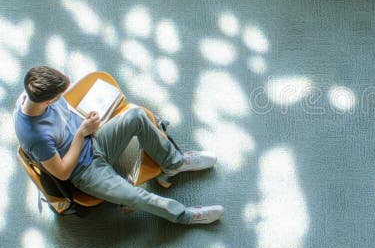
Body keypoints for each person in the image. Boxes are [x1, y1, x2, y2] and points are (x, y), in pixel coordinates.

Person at [14, 66, 224, 224]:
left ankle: (173, 163)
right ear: (47, 101)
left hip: (93, 139)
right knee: (134, 196)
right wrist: (80, 133)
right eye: (58, 96)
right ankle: (184, 216)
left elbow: (66, 114)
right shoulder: (35, 136)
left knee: (136, 116)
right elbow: (62, 173)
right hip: (84, 171)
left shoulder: (33, 94)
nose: (62, 98)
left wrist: (89, 124)